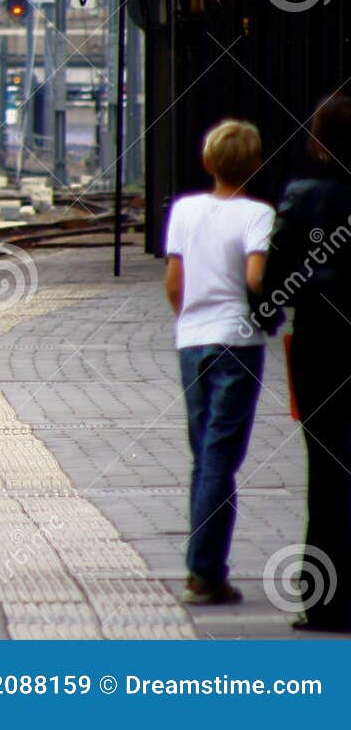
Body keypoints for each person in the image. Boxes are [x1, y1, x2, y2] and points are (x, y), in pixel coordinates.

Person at [164, 118, 273, 605]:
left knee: (204, 455)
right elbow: (256, 280)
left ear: (206, 162)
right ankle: (205, 573)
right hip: (239, 343)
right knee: (221, 457)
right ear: (256, 165)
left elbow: (174, 282)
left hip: (193, 342)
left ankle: (204, 569)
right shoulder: (258, 215)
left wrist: (190, 321)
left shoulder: (185, 210)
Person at [261, 93, 351, 632]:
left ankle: (326, 601)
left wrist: (264, 315)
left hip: (320, 347)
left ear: (319, 142)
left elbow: (274, 277)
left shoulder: (302, 196)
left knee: (327, 471)